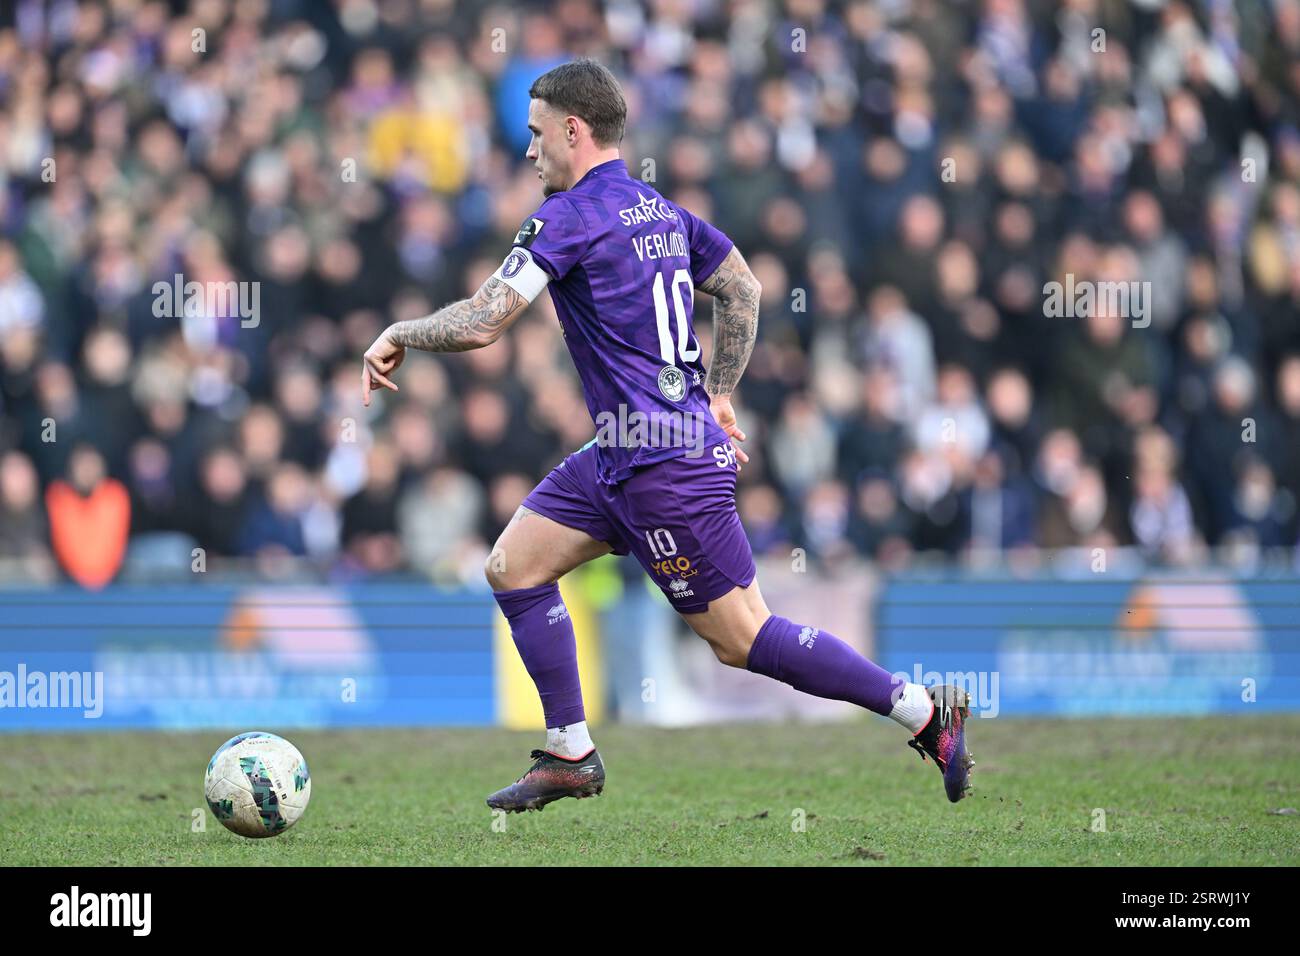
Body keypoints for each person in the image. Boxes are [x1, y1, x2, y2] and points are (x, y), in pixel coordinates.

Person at [361, 59, 974, 810]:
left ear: (573, 130)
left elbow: (486, 320)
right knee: (512, 567)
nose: (529, 151)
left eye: (536, 133)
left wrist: (399, 331)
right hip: (622, 449)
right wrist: (716, 394)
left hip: (665, 465)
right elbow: (743, 286)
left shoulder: (567, 216)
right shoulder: (659, 210)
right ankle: (569, 751)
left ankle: (921, 711)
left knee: (742, 639)